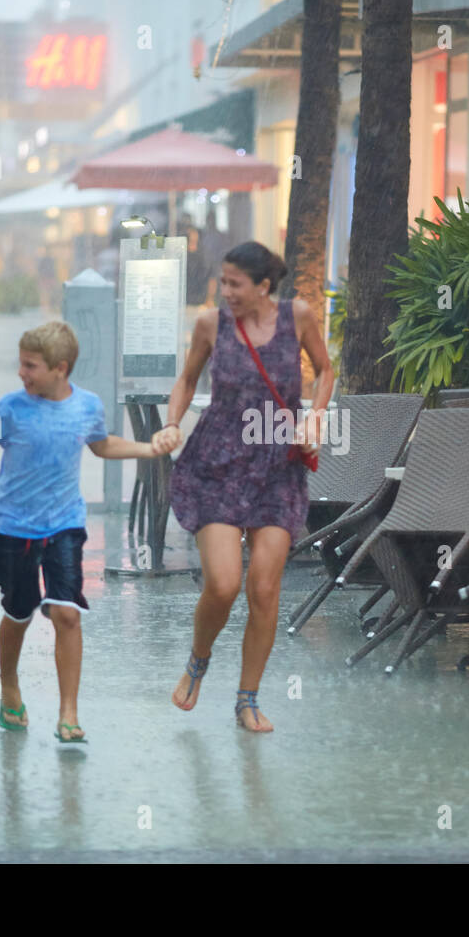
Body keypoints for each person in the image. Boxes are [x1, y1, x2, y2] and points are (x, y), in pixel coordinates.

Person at [0, 321, 168, 743]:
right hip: (13, 528)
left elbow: (102, 445)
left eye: (31, 366)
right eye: (21, 364)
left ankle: (69, 714)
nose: (21, 373)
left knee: (67, 613)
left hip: (65, 525)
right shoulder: (9, 409)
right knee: (19, 613)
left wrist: (146, 448)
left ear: (60, 368)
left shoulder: (88, 407)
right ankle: (9, 684)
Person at [156, 242, 334, 732]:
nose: (225, 291)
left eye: (235, 283)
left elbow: (325, 370)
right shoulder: (212, 325)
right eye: (223, 281)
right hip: (218, 462)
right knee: (224, 583)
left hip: (278, 465)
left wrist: (315, 418)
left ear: (262, 286)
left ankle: (247, 699)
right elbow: (187, 380)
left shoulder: (298, 316)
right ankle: (198, 659)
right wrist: (173, 422)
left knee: (263, 587)